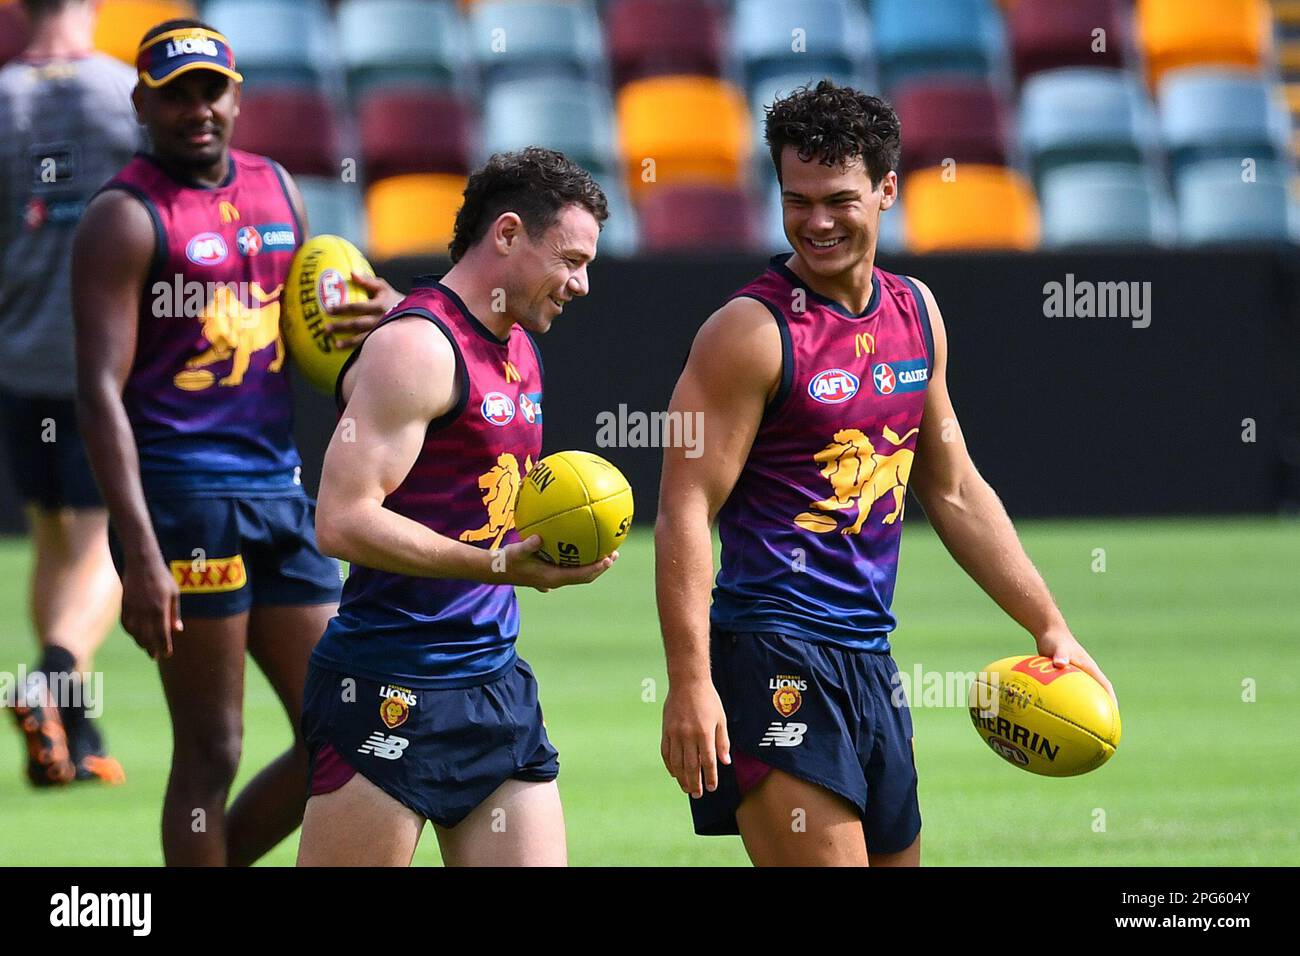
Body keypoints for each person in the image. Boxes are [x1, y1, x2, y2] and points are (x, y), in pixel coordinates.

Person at [655, 80, 1117, 866]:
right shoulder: (749, 332)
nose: (817, 222)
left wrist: (1048, 623)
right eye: (796, 200)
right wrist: (690, 683)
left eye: (840, 198)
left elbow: (954, 489)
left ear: (888, 190)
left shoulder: (917, 311)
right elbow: (685, 510)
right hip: (773, 654)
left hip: (871, 658)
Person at [72, 17, 399, 865]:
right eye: (174, 94)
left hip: (280, 495)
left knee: (345, 727)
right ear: (143, 104)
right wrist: (137, 550)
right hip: (186, 505)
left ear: (237, 95)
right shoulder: (123, 217)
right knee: (212, 747)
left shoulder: (279, 190)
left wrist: (386, 314)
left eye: (210, 90)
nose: (197, 109)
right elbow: (98, 392)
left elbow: (316, 339)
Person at [297, 148, 615, 868]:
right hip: (388, 683)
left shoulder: (517, 346)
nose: (583, 284)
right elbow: (341, 519)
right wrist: (492, 564)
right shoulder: (414, 349)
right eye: (570, 259)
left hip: (494, 684)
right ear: (506, 234)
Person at [0, 0, 137, 787]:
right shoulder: (127, 96)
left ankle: (75, 734)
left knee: (52, 539)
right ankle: (50, 679)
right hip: (101, 363)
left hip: (19, 359)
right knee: (105, 548)